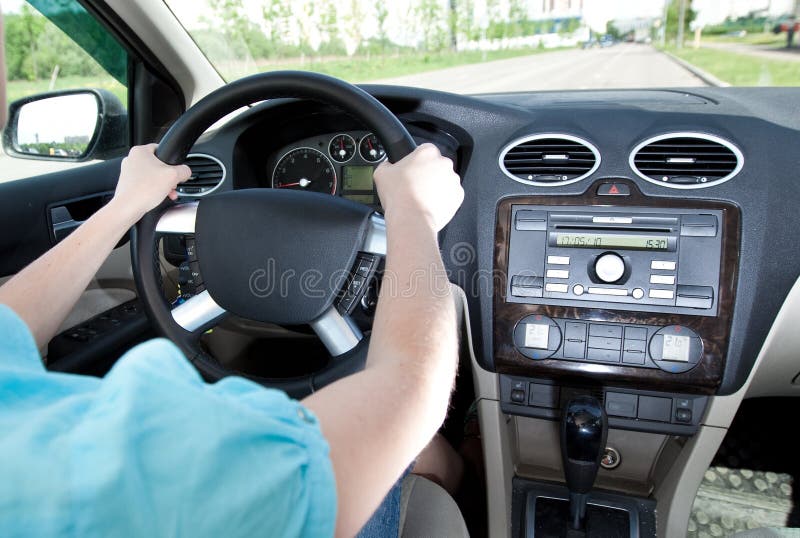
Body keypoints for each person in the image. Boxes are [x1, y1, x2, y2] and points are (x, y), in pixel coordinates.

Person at [0, 11, 466, 534]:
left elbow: (6, 325)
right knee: (424, 451)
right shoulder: (208, 474)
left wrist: (124, 207)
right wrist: (413, 218)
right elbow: (407, 392)